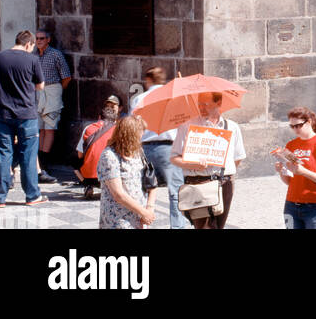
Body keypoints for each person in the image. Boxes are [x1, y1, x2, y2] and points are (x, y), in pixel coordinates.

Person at [171, 92, 246, 230]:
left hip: (225, 183)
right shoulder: (187, 126)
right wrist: (193, 165)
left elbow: (238, 157)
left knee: (219, 226)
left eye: (205, 104)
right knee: (204, 227)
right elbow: (174, 157)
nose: (201, 107)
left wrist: (222, 172)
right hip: (198, 183)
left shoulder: (232, 127)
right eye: (199, 104)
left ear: (219, 103)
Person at [131, 67, 188, 229]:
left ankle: (141, 223)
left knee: (141, 188)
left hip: (144, 148)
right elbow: (182, 124)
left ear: (148, 80)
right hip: (169, 149)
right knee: (176, 192)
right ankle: (177, 226)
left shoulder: (139, 99)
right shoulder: (174, 98)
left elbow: (132, 125)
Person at [0, 30, 45, 209]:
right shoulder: (32, 59)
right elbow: (40, 86)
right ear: (28, 44)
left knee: (3, 154)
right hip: (26, 115)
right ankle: (32, 195)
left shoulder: (0, 57)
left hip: (3, 114)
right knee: (28, 155)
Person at [275, 107, 316, 229]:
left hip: (315, 207)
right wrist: (281, 171)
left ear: (308, 122)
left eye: (298, 125)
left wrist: (304, 172)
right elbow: (289, 181)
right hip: (292, 204)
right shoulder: (291, 145)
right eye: (292, 126)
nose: (295, 129)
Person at [97, 114, 156, 230]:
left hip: (139, 219)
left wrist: (149, 207)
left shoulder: (138, 152)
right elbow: (118, 194)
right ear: (129, 135)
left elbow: (151, 181)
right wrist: (143, 212)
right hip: (118, 221)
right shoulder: (109, 156)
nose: (142, 137)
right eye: (140, 133)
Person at [33, 28, 71, 184]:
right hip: (38, 91)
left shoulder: (56, 54)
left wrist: (57, 91)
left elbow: (66, 76)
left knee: (49, 128)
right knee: (40, 128)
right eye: (37, 38)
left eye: (42, 38)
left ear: (48, 39)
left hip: (53, 89)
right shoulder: (34, 55)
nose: (39, 41)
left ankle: (45, 163)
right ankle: (40, 165)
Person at [76, 95, 120, 200]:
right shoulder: (117, 130)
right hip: (110, 175)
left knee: (73, 161)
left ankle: (87, 184)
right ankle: (114, 187)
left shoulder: (88, 128)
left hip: (90, 176)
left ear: (99, 117)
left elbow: (79, 154)